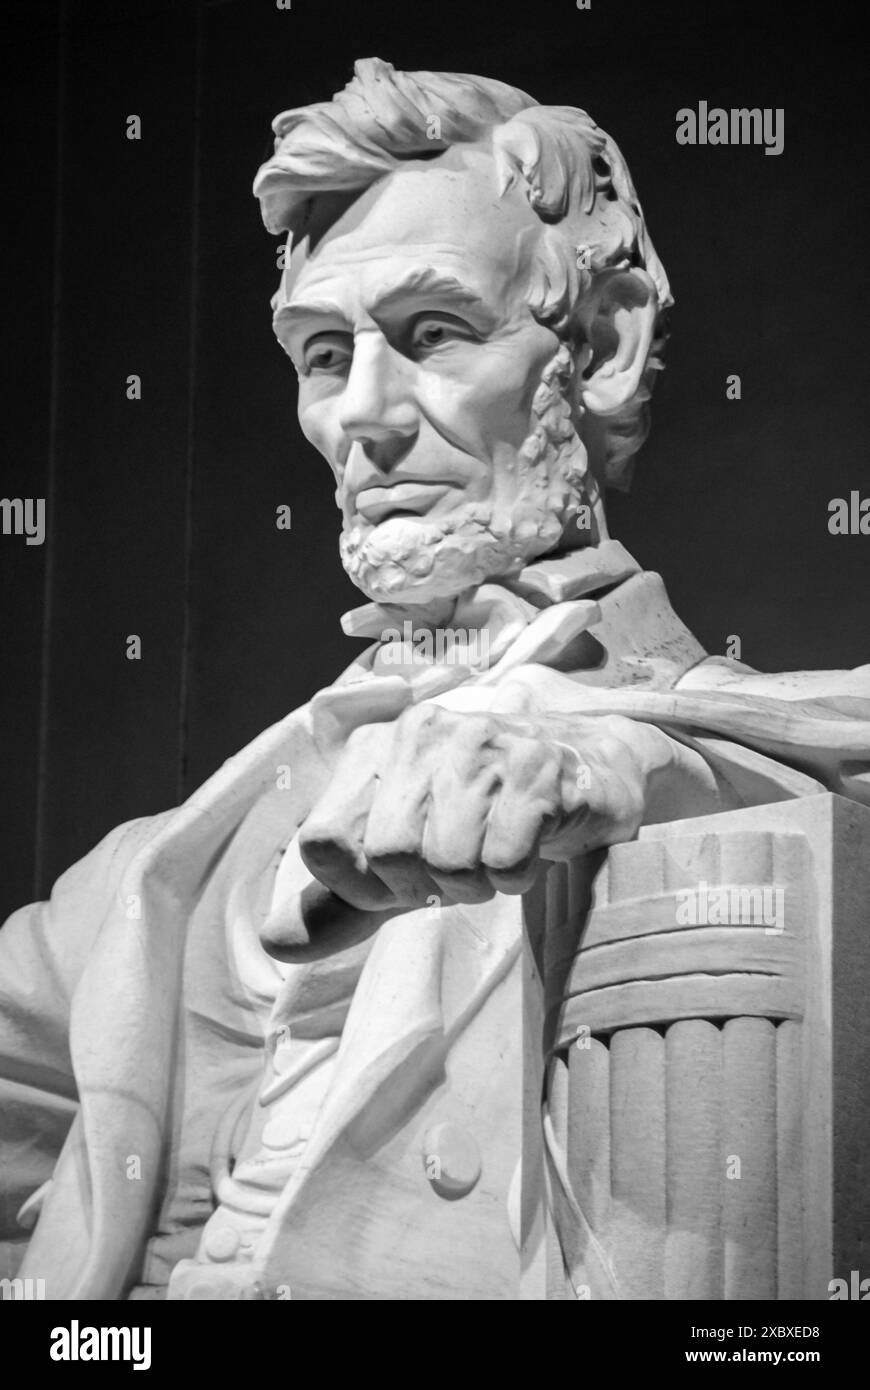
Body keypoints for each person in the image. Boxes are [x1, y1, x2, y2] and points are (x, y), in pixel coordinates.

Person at [2, 58, 868, 1300]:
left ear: (605, 349)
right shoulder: (184, 860)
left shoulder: (705, 751)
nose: (361, 413)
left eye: (432, 334)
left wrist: (628, 751)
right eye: (318, 353)